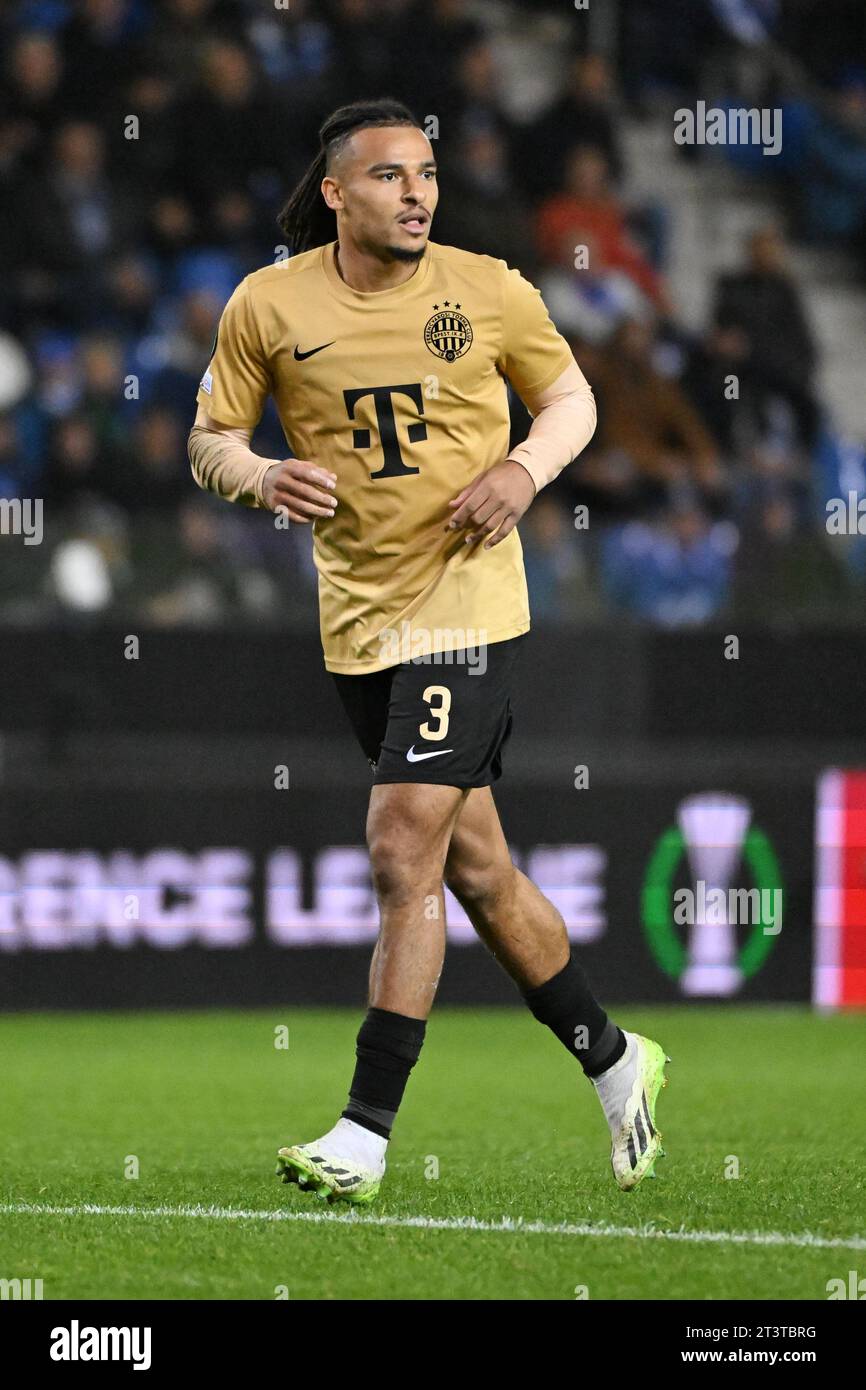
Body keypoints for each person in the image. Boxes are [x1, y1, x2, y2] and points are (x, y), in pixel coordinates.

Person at [187, 99, 670, 1207]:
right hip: (357, 619)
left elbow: (569, 399)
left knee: (401, 844)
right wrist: (260, 475)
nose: (417, 193)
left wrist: (523, 472)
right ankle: (612, 1058)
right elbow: (208, 435)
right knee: (479, 870)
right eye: (391, 175)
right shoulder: (268, 302)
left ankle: (364, 1131)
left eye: (427, 174)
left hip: (467, 605)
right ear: (336, 192)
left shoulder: (487, 287)